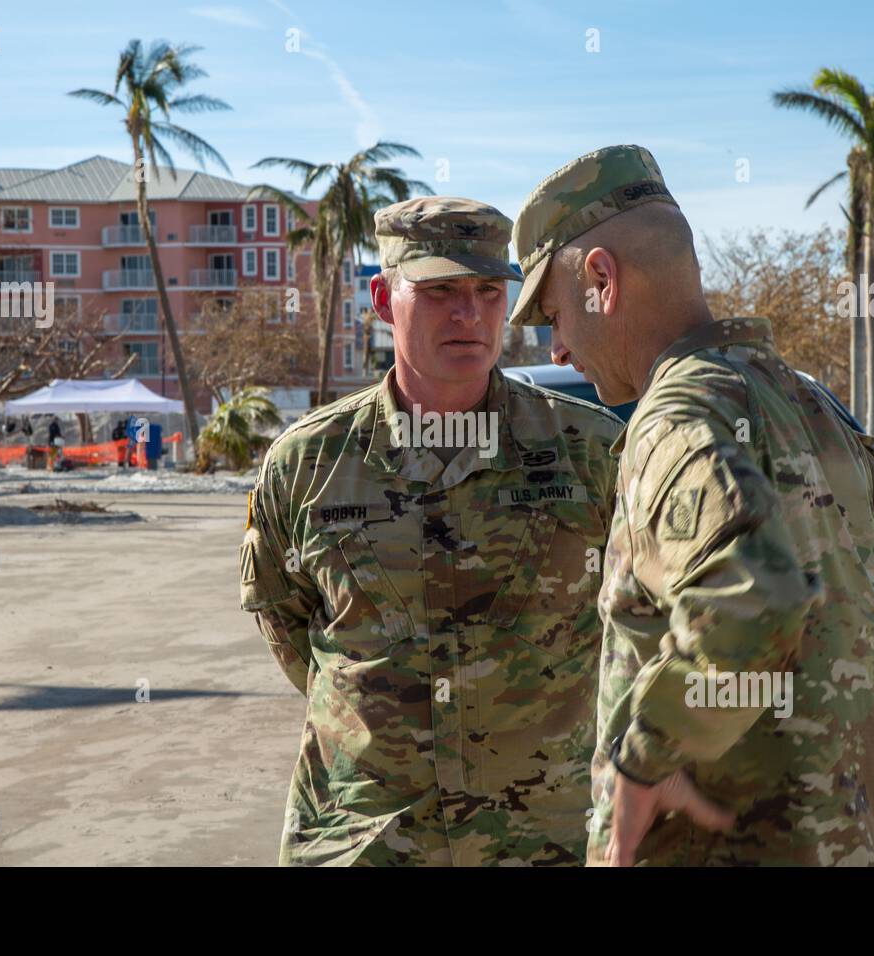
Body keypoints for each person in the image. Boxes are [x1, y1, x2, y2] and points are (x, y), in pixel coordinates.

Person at [508, 144, 874, 866]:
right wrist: (828, 742)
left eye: (553, 315)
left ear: (601, 279)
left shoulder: (673, 418)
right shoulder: (804, 402)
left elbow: (749, 596)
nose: (558, 349)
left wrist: (646, 764)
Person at [239, 196, 623, 866]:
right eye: (440, 290)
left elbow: (645, 626)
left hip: (545, 838)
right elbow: (290, 625)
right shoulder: (308, 462)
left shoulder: (593, 451)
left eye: (486, 291)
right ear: (385, 300)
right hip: (366, 835)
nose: (468, 314)